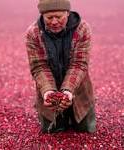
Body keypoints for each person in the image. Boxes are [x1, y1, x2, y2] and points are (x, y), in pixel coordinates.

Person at [25, 0, 96, 133]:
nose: (54, 22)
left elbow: (79, 64)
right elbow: (39, 66)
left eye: (59, 17)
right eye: (49, 17)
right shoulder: (33, 33)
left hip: (79, 87)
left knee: (86, 129)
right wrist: (48, 91)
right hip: (49, 88)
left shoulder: (82, 29)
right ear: (42, 15)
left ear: (67, 13)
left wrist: (67, 91)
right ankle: (58, 117)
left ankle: (75, 114)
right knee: (52, 130)